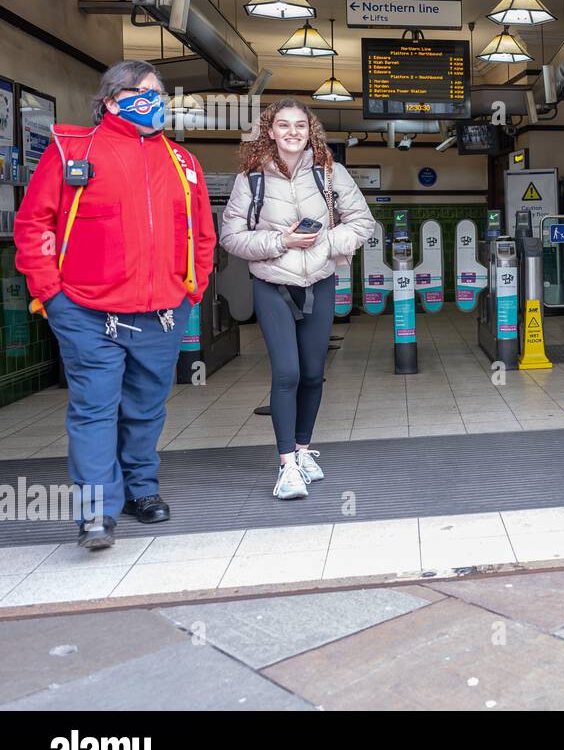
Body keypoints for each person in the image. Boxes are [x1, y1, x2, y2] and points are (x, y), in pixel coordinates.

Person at [14, 60, 216, 549]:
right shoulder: (71, 151)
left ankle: (140, 491)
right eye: (141, 92)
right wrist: (52, 295)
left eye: (158, 91)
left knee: (146, 410)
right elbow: (34, 224)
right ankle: (95, 513)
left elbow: (202, 234)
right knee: (94, 410)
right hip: (85, 312)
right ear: (111, 101)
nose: (154, 100)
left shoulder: (183, 164)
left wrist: (193, 290)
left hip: (163, 313)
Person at [221, 98, 374, 500]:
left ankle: (304, 450)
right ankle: (287, 465)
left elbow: (363, 222)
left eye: (300, 126)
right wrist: (280, 241)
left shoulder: (330, 173)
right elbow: (231, 237)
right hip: (272, 285)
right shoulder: (250, 178)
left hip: (320, 283)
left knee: (311, 373)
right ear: (269, 131)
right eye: (283, 125)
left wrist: (326, 242)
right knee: (287, 373)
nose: (292, 132)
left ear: (311, 131)